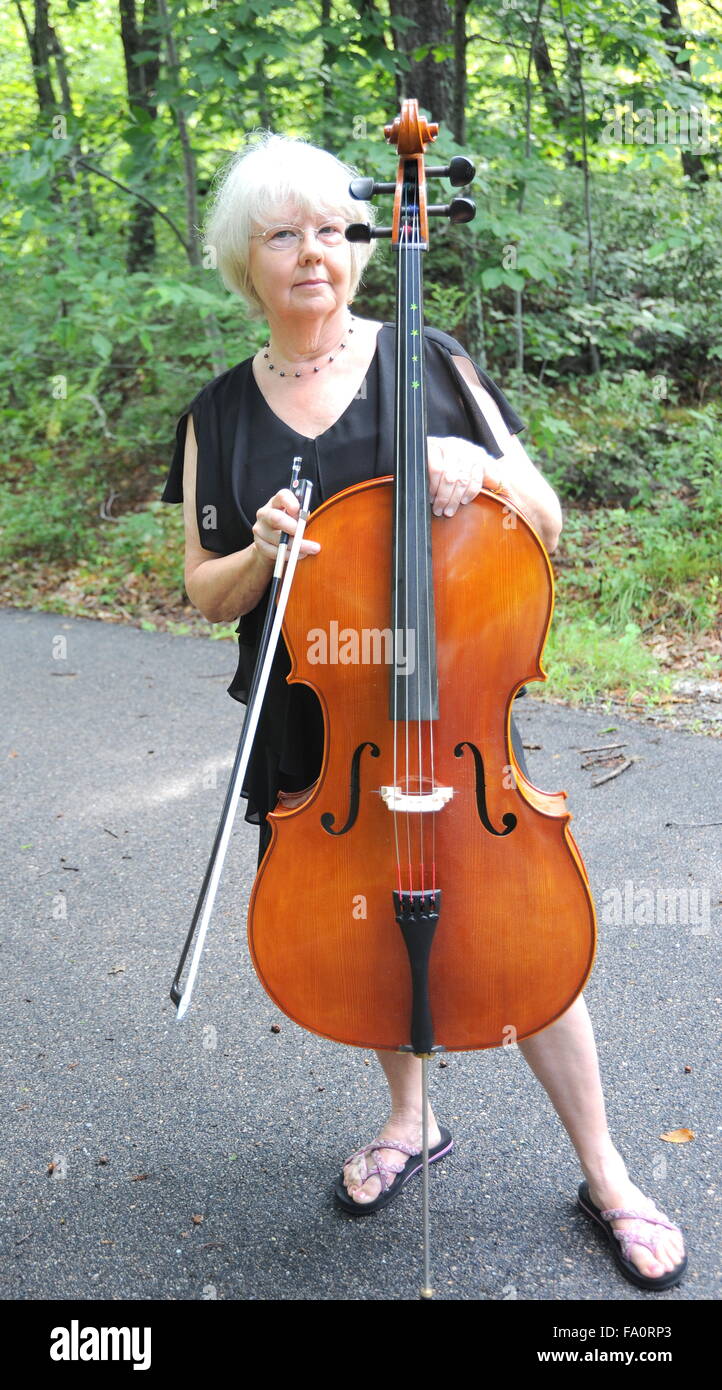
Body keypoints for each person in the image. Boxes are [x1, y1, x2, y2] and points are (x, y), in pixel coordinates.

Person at [161, 131, 687, 1293]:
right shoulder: (220, 413)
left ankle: (606, 1170)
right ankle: (409, 1121)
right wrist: (254, 550)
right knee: (367, 919)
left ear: (364, 244)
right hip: (321, 724)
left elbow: (542, 515)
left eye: (337, 230)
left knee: (521, 929)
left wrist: (482, 472)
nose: (315, 253)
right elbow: (203, 591)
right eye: (283, 232)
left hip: (453, 712)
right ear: (244, 260)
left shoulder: (430, 359)